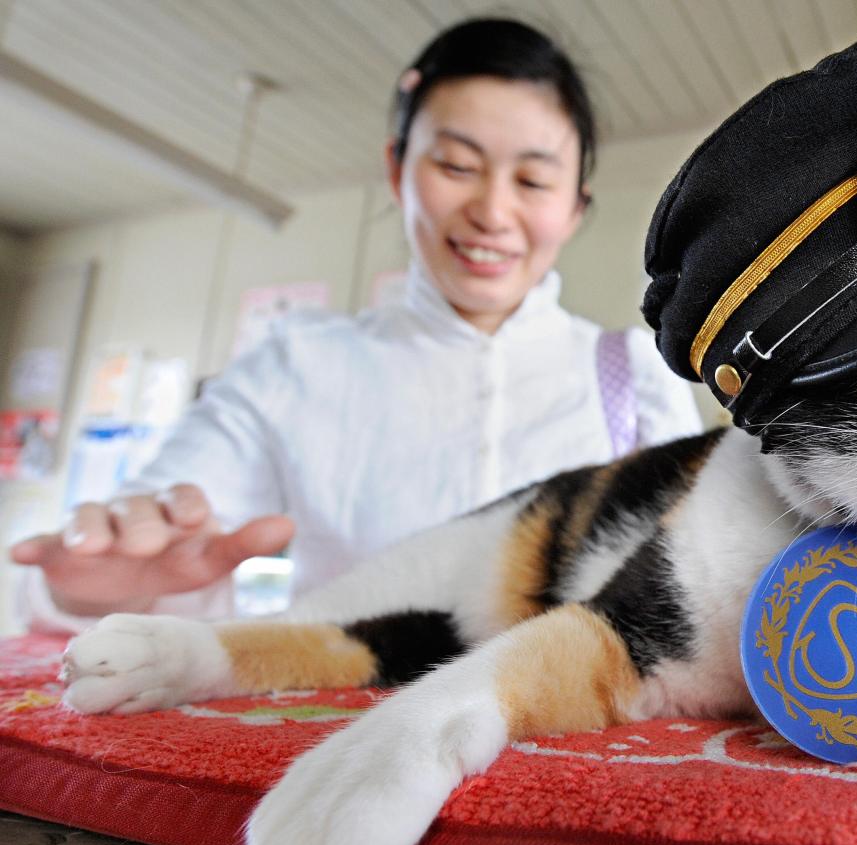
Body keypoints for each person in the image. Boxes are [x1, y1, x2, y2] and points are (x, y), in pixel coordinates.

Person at [9, 18, 702, 632]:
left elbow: (686, 581)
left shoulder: (629, 374)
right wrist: (101, 589)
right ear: (398, 171)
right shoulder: (296, 365)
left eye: (532, 181)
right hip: (330, 739)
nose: (492, 211)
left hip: (568, 750)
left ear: (575, 207)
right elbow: (155, 532)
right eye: (457, 165)